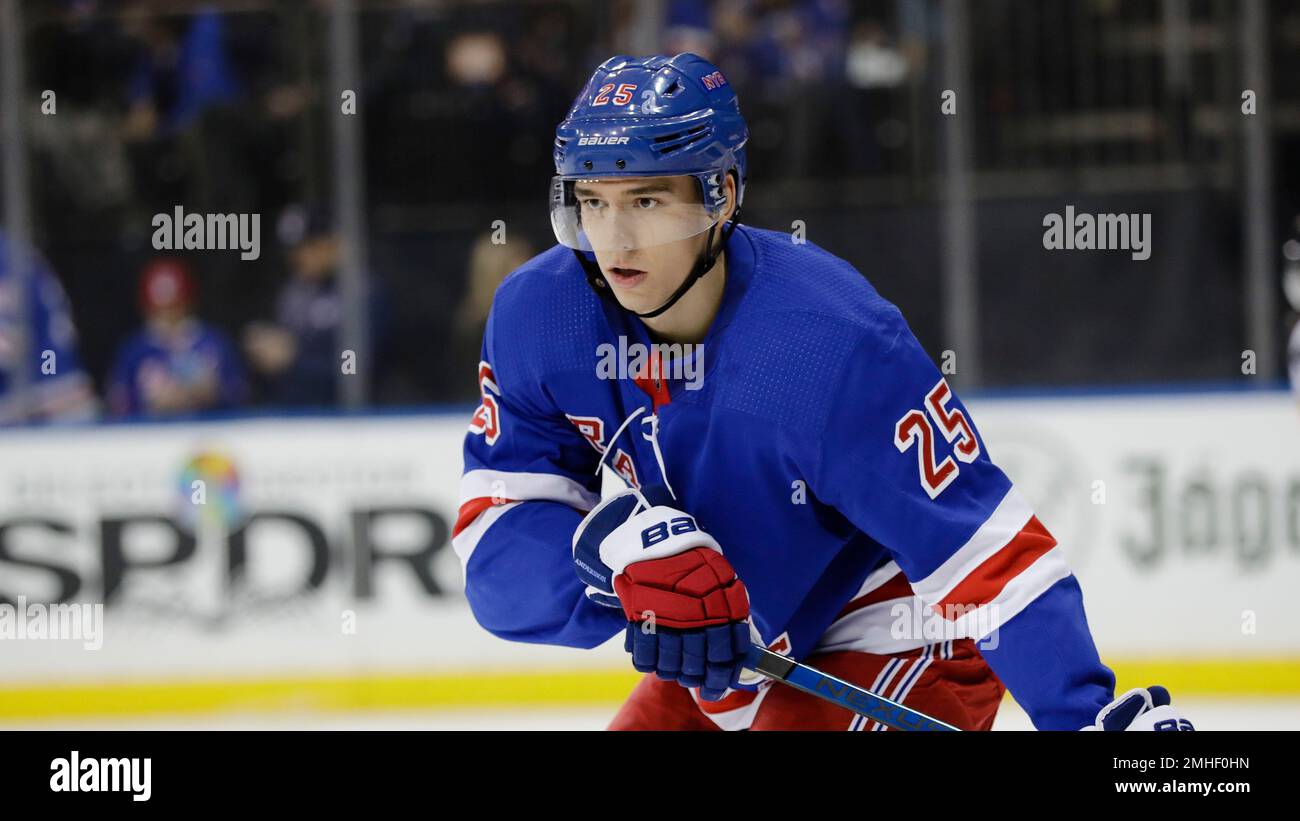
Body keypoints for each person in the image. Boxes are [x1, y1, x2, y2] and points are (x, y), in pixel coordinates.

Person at [454, 53, 1193, 731]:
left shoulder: (831, 341)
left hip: (897, 628)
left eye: (646, 202)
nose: (613, 240)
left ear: (722, 195)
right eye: (592, 200)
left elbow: (983, 550)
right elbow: (496, 554)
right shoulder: (540, 316)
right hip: (734, 655)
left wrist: (1083, 713)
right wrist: (611, 553)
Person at [107, 257, 246, 418]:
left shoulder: (213, 341)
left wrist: (214, 393)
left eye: (174, 310)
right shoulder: (134, 350)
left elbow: (240, 396)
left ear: (188, 305)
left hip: (210, 433)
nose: (167, 319)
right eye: (159, 311)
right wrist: (147, 402)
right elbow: (118, 406)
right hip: (150, 436)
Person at [0, 231, 98, 425]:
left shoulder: (9, 257)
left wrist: (48, 375)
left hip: (52, 390)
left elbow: (14, 346)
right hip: (42, 387)